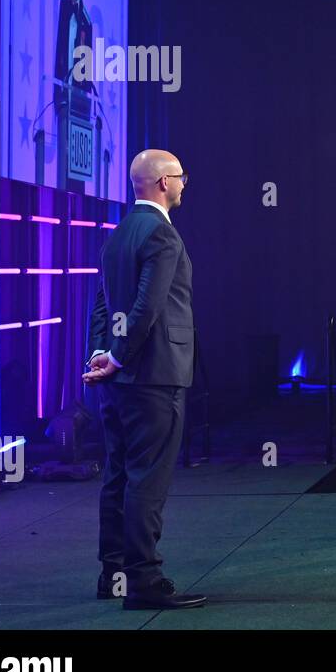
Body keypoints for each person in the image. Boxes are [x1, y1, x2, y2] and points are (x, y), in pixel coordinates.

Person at [84, 149, 204, 610]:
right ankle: (144, 582)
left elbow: (102, 303)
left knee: (119, 474)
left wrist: (101, 353)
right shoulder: (162, 236)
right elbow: (146, 309)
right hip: (154, 375)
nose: (184, 183)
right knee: (146, 481)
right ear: (160, 184)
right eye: (179, 176)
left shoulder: (118, 236)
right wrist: (115, 357)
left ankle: (112, 574)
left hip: (120, 381)